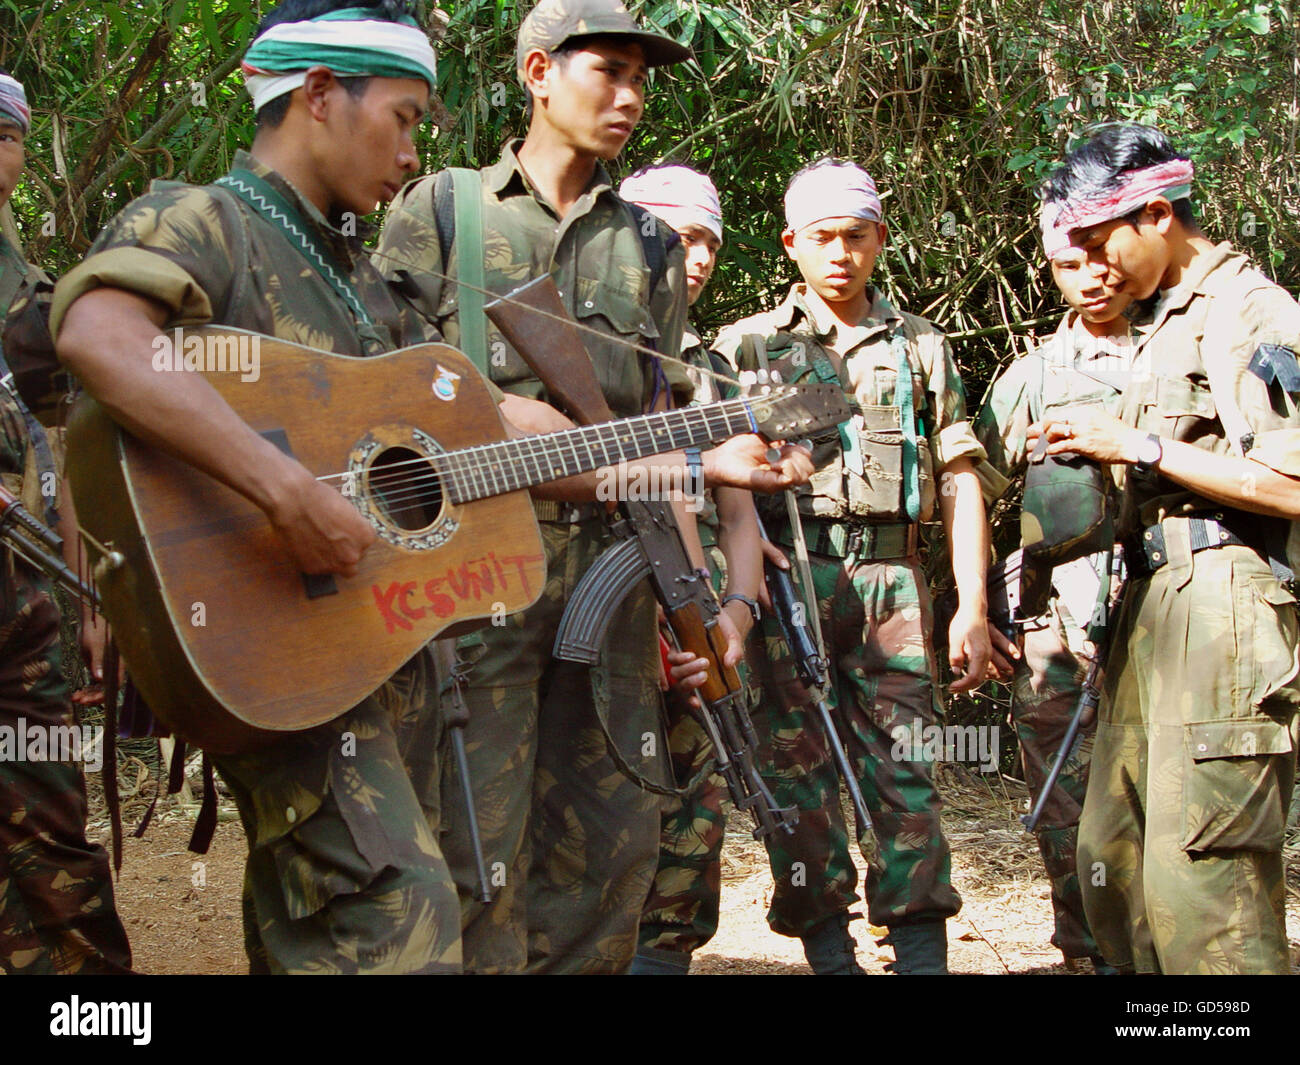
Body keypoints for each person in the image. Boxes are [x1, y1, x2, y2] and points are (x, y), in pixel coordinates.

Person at [376, 0, 811, 973]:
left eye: (640, 78)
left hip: (604, 606)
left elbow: (657, 429)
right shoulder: (443, 212)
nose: (629, 96)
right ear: (536, 73)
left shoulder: (649, 248)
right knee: (467, 861)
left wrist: (706, 610)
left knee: (609, 861)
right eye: (605, 71)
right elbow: (370, 392)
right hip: (460, 594)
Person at [51, 0, 466, 974]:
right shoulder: (208, 221)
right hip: (263, 649)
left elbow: (462, 429)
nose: (414, 152)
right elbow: (100, 334)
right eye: (404, 117)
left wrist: (667, 448)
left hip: (365, 656)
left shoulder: (365, 281)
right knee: (397, 920)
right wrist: (284, 490)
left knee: (319, 931)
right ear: (319, 92)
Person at [1030, 122, 1300, 974]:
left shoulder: (1248, 308)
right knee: (1114, 870)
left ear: (1156, 215)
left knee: (1205, 897)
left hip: (1226, 609)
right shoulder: (1163, 324)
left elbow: (1293, 483)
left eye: (1101, 241)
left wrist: (1139, 447)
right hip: (1153, 607)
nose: (1095, 268)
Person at [712, 157, 993, 974]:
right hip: (787, 573)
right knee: (795, 776)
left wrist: (970, 603)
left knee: (906, 766)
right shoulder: (747, 346)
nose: (841, 254)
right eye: (823, 238)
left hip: (890, 580)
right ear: (792, 243)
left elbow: (959, 474)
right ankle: (828, 951)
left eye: (857, 237)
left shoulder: (919, 345)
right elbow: (718, 476)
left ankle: (921, 952)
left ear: (878, 240)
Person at [973, 240, 1139, 973]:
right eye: (1072, 264)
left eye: (1105, 257)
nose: (1094, 276)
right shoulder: (1033, 377)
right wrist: (975, 606)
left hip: (1169, 611)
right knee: (1067, 807)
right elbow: (968, 489)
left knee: (1164, 803)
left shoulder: (1181, 356)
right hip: (1056, 623)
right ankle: (1089, 953)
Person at [0, 66, 133, 976]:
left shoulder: (27, 290)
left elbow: (71, 437)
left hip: (22, 608)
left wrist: (91, 600)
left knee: (50, 827)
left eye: (6, 134)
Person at [617, 164, 765, 973]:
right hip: (607, 609)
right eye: (680, 235)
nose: (697, 255)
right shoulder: (594, 347)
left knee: (693, 812)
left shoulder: (713, 370)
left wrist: (734, 613)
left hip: (694, 610)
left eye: (708, 237)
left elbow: (740, 513)